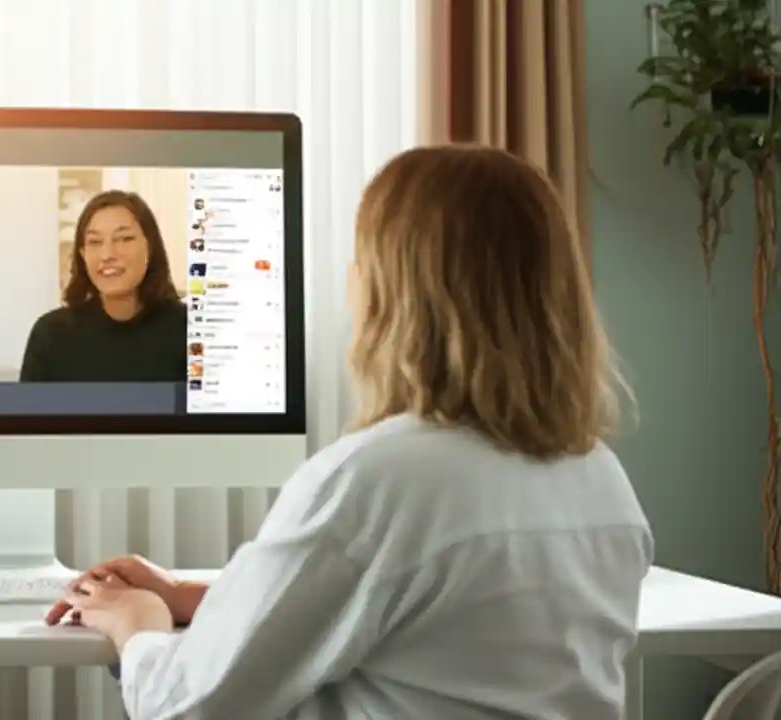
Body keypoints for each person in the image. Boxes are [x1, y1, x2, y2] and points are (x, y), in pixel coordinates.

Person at [45, 146, 653, 719]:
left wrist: (137, 619)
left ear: (388, 291)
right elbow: (428, 619)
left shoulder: (377, 480)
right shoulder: (598, 475)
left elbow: (185, 707)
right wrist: (193, 594)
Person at [20, 190, 186, 382]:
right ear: (83, 254)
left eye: (124, 239)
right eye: (95, 242)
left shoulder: (189, 331)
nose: (107, 254)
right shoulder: (51, 335)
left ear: (150, 247)